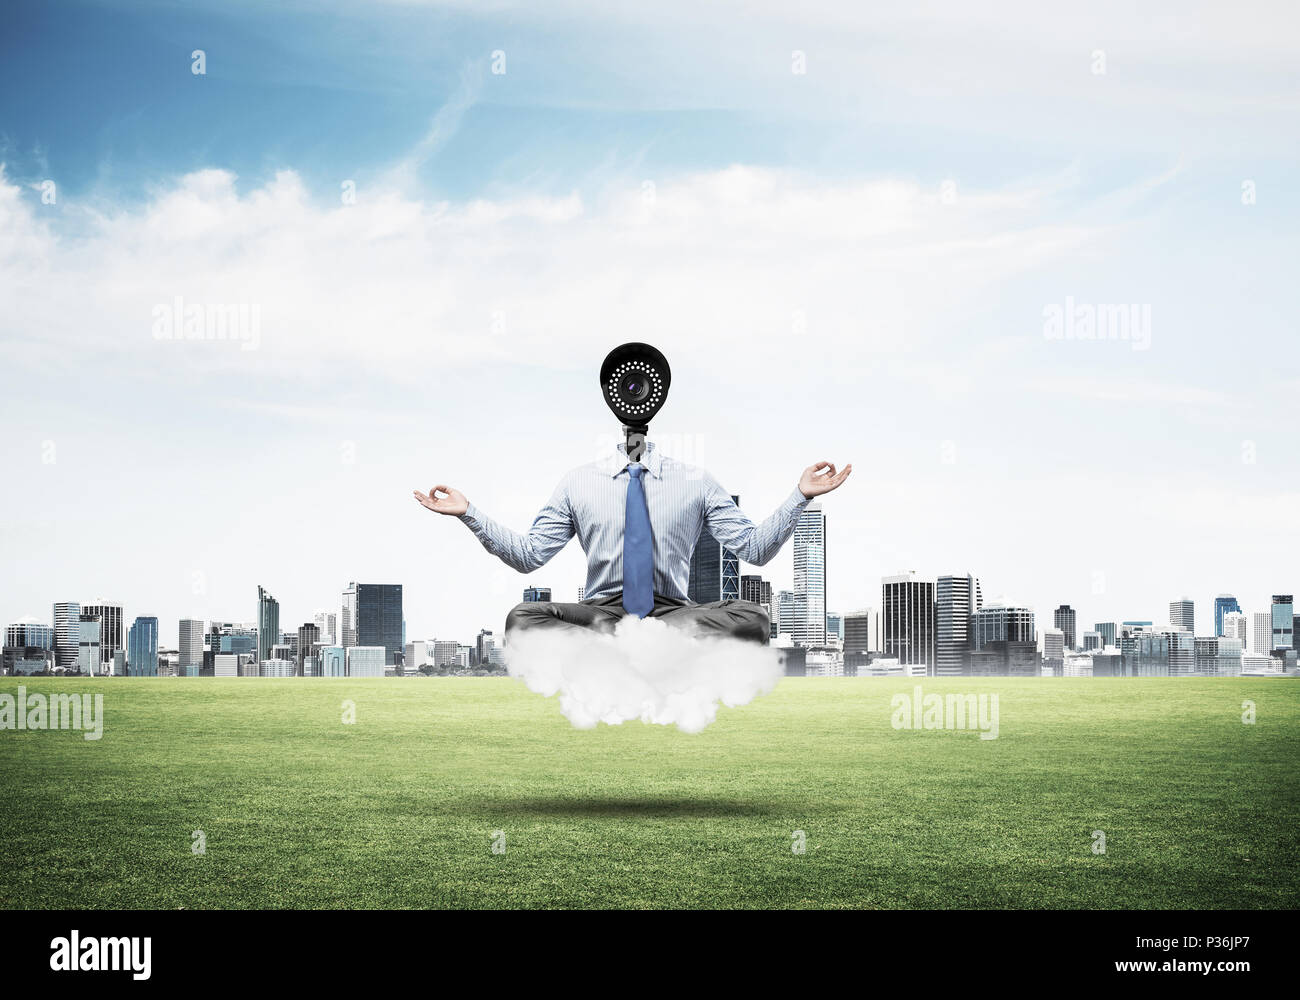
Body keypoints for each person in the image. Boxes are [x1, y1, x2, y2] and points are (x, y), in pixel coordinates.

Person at [414, 444, 851, 644]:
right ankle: (629, 640)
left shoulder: (694, 481)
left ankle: (638, 640)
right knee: (523, 619)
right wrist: (468, 513)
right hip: (601, 609)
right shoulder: (580, 481)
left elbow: (753, 549)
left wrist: (802, 496)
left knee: (754, 618)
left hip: (673, 611)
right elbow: (530, 557)